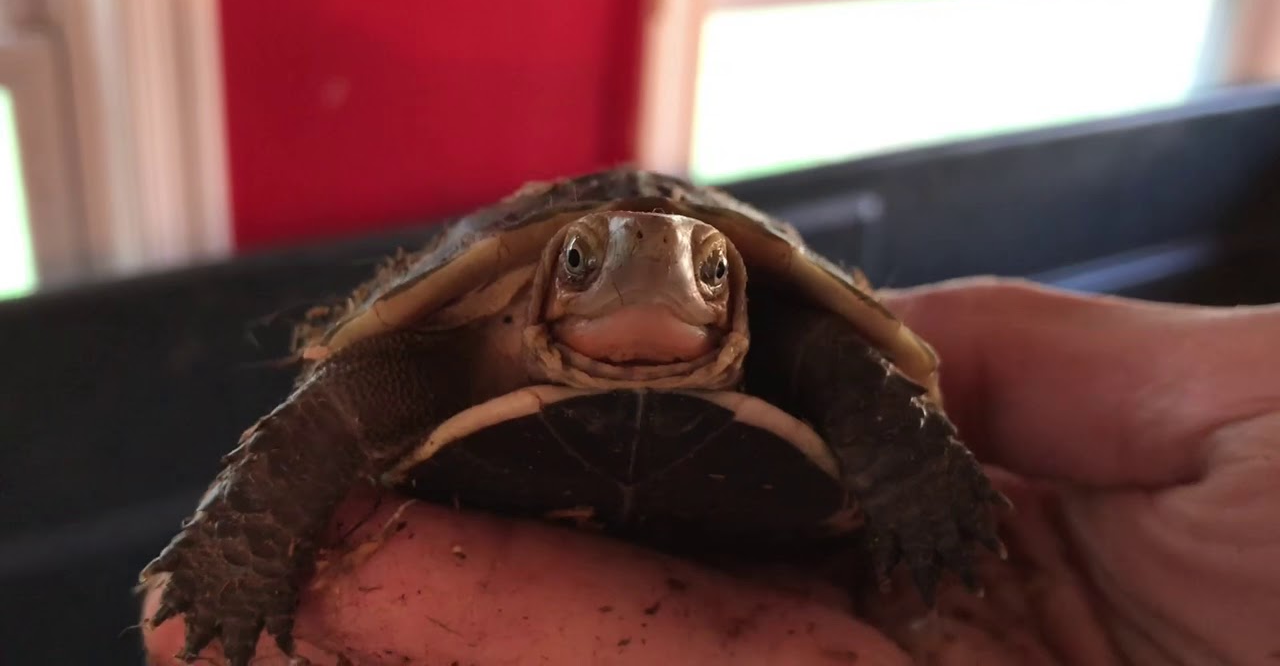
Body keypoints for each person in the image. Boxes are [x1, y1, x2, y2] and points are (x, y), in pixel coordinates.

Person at [142, 277, 1280, 665]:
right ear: (543, 288)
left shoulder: (808, 351)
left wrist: (928, 501)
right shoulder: (434, 360)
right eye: (586, 266)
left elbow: (867, 379)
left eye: (699, 272)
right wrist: (242, 556)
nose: (651, 286)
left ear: (732, 294)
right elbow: (343, 401)